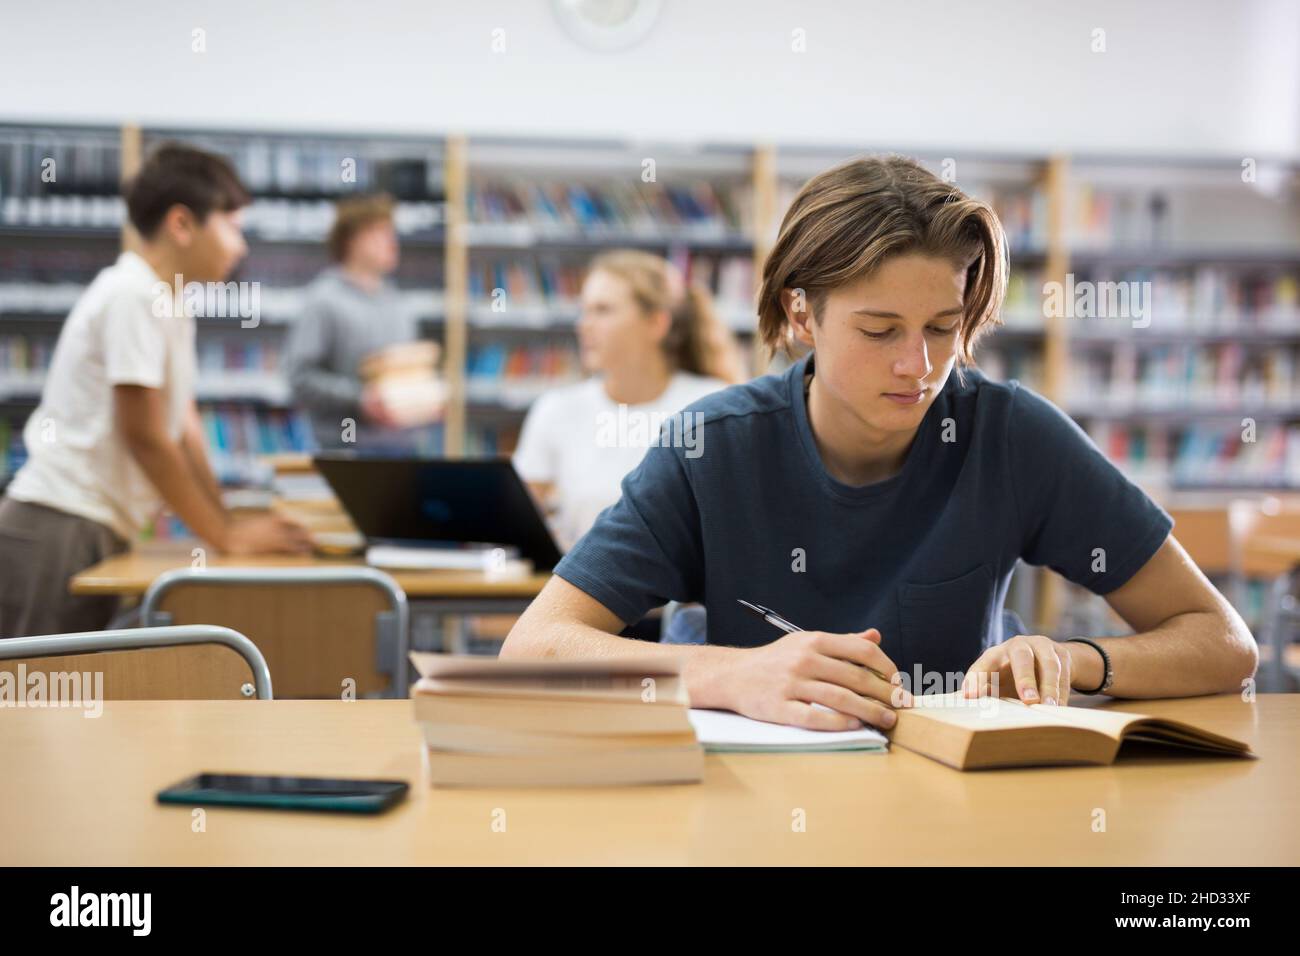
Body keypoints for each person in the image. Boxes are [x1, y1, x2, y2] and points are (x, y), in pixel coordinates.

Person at [499, 155, 1258, 730]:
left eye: (942, 328)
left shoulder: (1011, 434)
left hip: (962, 800)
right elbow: (535, 648)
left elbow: (1224, 642)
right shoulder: (712, 445)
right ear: (803, 316)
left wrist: (1076, 662)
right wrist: (732, 677)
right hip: (760, 804)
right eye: (879, 330)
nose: (918, 367)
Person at [0, 144, 309, 638]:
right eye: (233, 226)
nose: (241, 246)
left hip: (88, 523)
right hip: (58, 524)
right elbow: (144, 435)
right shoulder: (133, 295)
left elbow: (183, 427)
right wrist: (224, 533)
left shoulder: (171, 303)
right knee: (34, 703)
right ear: (182, 224)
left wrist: (227, 524)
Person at [513, 249, 742, 553]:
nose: (584, 325)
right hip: (582, 588)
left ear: (656, 324)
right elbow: (514, 522)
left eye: (603, 310)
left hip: (683, 596)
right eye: (584, 310)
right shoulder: (556, 410)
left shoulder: (711, 405)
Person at [284, 193, 429, 452]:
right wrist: (359, 399)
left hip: (402, 446)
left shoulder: (397, 301)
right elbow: (299, 377)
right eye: (380, 233)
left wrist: (423, 399)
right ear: (352, 239)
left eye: (392, 232)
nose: (392, 242)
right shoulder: (323, 300)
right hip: (346, 450)